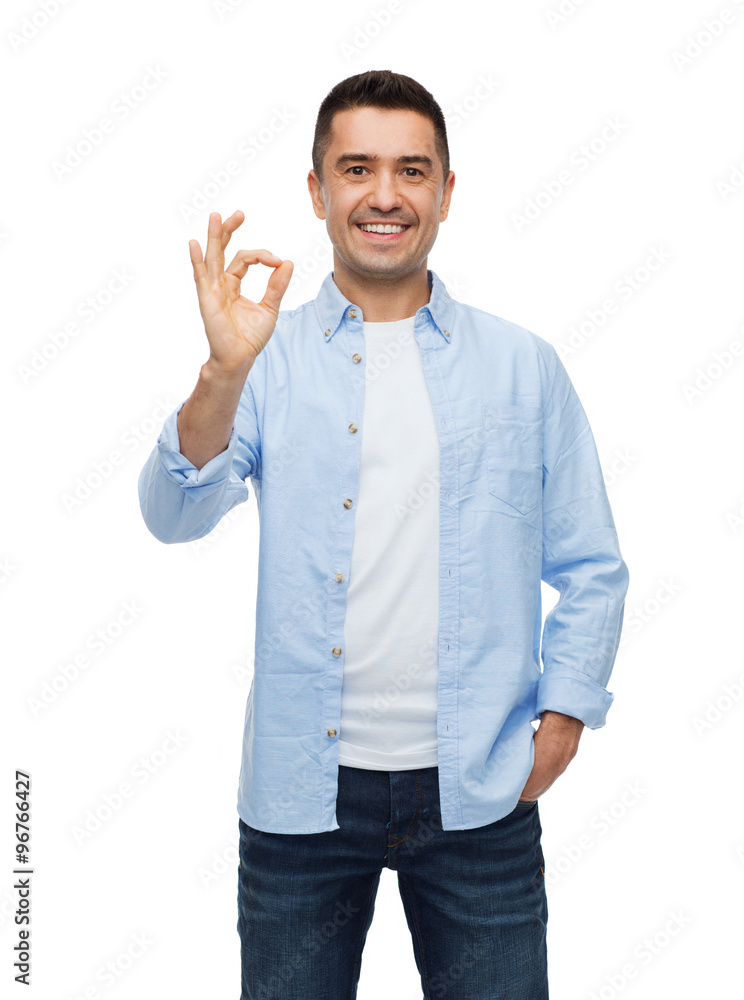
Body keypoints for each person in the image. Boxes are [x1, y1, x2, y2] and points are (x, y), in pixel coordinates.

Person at [138, 69, 629, 1000]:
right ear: (319, 192)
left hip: (482, 791)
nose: (385, 194)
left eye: (413, 169)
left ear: (446, 192)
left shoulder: (524, 367)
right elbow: (173, 516)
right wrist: (219, 372)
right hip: (300, 795)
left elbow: (593, 566)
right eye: (356, 168)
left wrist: (563, 720)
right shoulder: (265, 360)